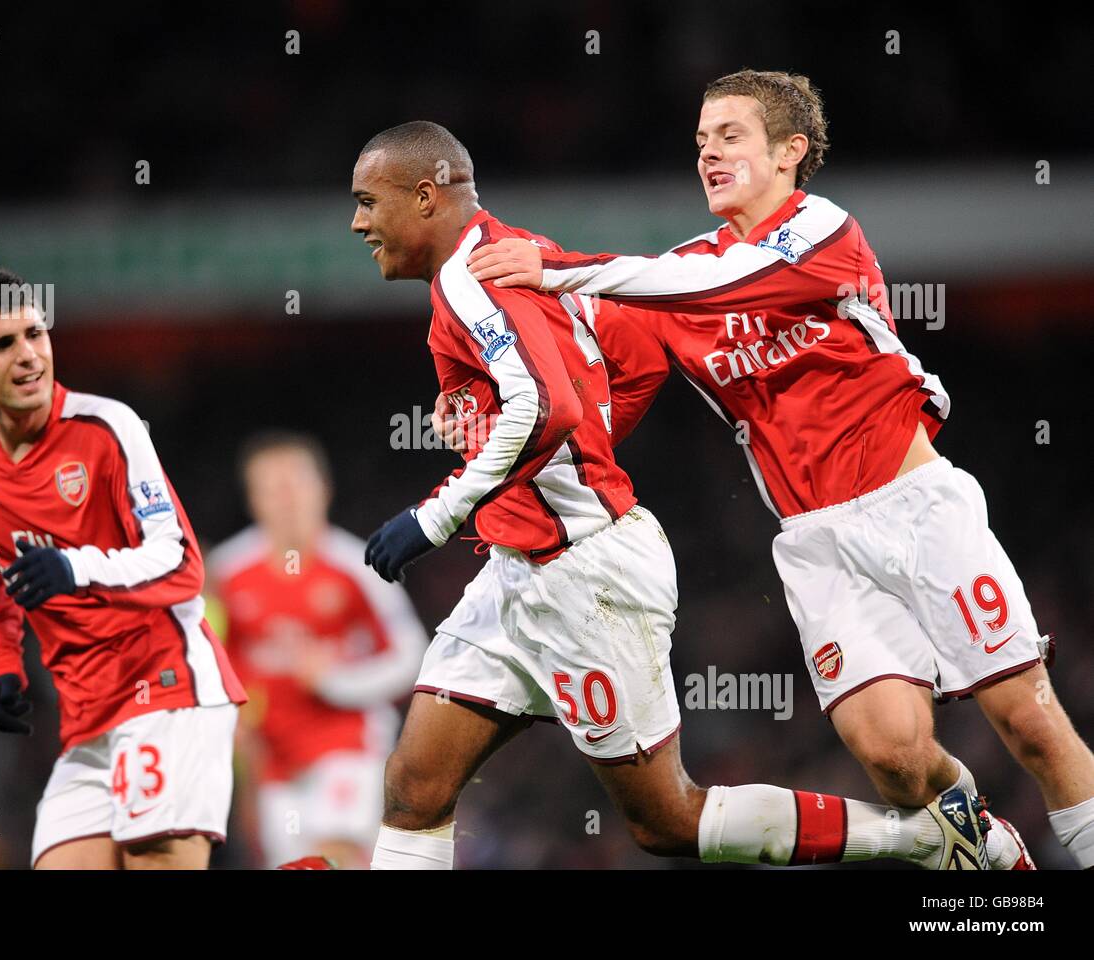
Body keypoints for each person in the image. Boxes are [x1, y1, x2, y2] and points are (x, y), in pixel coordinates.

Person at [467, 68, 1094, 869]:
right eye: (700, 142)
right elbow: (594, 352)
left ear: (791, 151)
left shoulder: (822, 231)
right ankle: (986, 846)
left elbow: (719, 283)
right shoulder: (681, 273)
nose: (709, 154)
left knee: (1031, 723)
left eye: (730, 136)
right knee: (895, 757)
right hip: (814, 541)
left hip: (917, 505)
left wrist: (555, 263)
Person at [350, 120, 991, 870]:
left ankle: (926, 838)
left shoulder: (473, 279)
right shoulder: (524, 256)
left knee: (667, 821)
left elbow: (544, 407)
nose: (359, 223)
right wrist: (570, 437)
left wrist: (435, 516)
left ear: (425, 197)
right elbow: (634, 354)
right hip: (516, 572)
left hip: (584, 577)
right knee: (414, 790)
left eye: (367, 202)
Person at [0, 267, 247, 869]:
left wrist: (77, 568)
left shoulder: (107, 427)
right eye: (2, 344)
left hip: (169, 691)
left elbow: (180, 562)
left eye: (35, 335)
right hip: (85, 719)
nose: (28, 357)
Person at [206, 432, 427, 868]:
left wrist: (337, 681)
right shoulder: (228, 573)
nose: (285, 499)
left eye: (295, 484)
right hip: (273, 764)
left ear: (322, 489)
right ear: (253, 499)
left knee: (337, 856)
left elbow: (412, 655)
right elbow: (216, 656)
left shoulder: (359, 566)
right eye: (272, 488)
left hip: (347, 746)